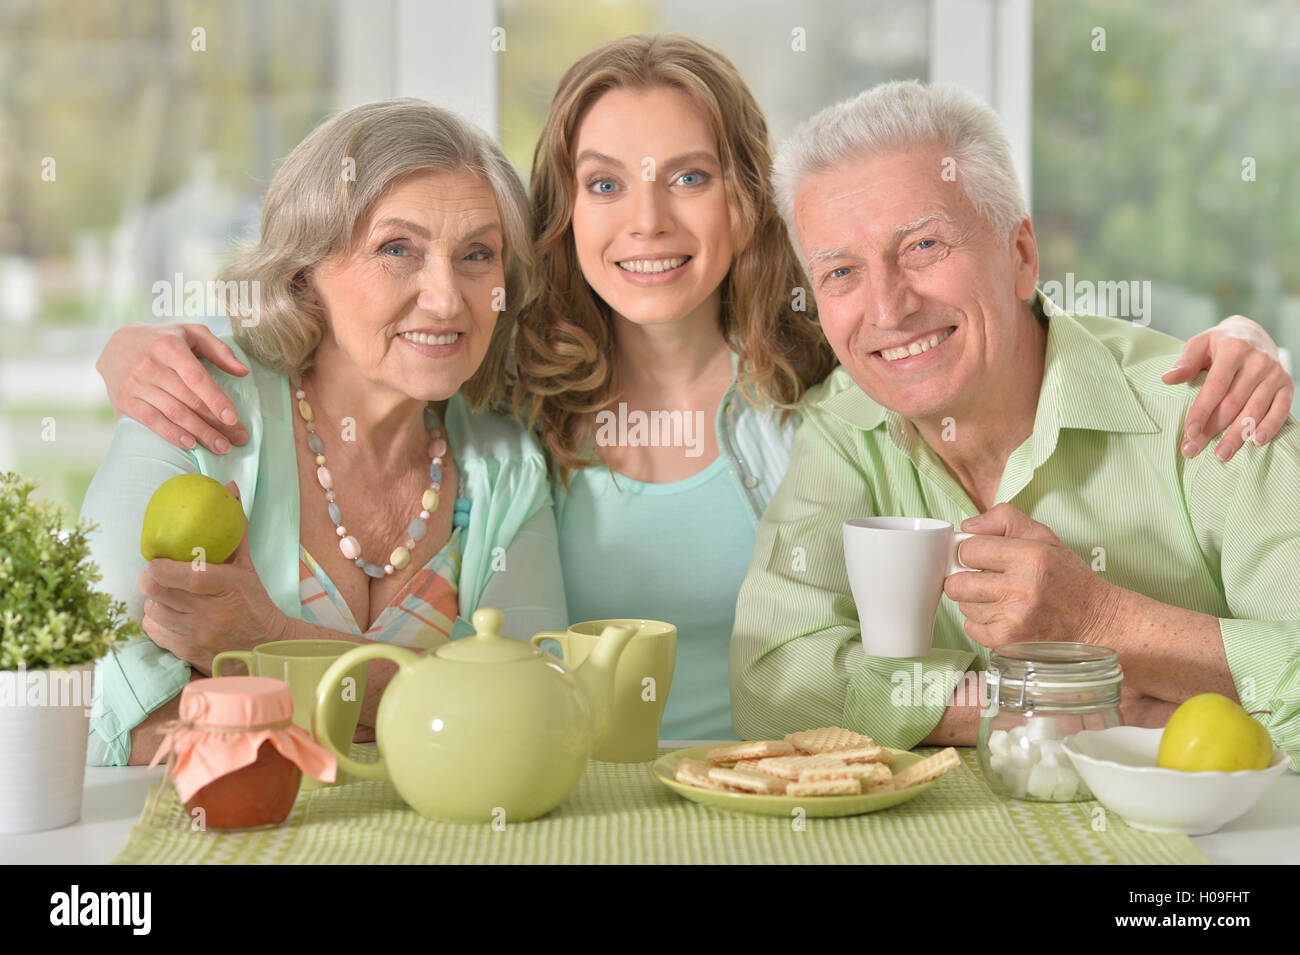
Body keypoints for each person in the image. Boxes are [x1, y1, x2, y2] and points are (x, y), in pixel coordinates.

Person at [93, 37, 1291, 743]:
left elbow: (979, 305)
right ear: (564, 216)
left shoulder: (840, 378)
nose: (648, 223)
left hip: (800, 801)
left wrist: (1238, 336)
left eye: (690, 177)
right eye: (605, 185)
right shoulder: (510, 400)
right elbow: (357, 327)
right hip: (570, 805)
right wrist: (146, 337)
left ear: (745, 200)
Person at [731, 80, 1300, 766]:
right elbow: (774, 678)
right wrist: (1053, 703)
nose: (887, 309)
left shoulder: (1214, 410)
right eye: (842, 271)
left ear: (1021, 257)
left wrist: (1104, 620)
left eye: (923, 246)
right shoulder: (844, 425)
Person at [81, 100, 566, 766]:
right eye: (398, 249)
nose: (448, 297)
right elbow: (105, 703)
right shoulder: (195, 402)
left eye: (477, 254)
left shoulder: (505, 466)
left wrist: (265, 642)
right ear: (304, 274)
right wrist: (422, 707)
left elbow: (533, 712)